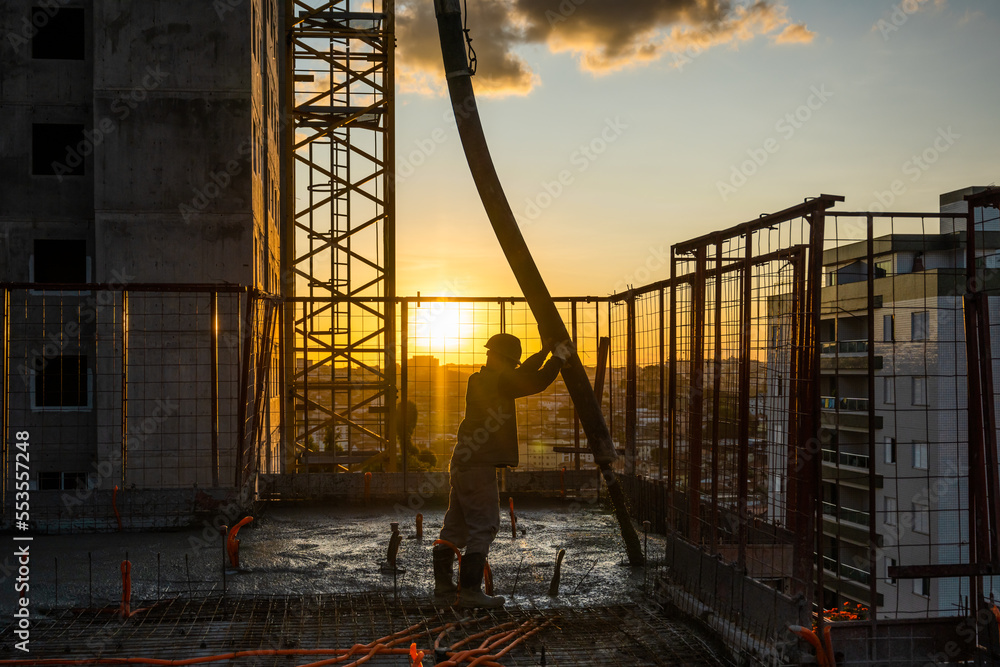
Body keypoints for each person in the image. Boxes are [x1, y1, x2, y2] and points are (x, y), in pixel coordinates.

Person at [432, 331, 574, 608]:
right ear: (508, 361)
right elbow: (537, 380)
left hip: (462, 464)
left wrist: (544, 351)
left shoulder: (480, 378)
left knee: (455, 527)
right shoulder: (503, 380)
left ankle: (443, 587)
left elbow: (523, 374)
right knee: (484, 527)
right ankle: (471, 592)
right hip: (479, 466)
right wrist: (558, 358)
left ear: (490, 354)